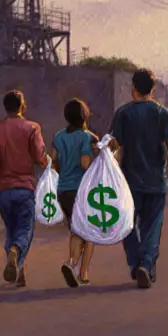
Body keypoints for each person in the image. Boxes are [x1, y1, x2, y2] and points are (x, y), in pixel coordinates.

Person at [103, 68, 168, 289]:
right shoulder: (163, 113)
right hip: (156, 182)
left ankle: (136, 262)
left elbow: (113, 147)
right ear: (153, 89)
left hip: (129, 183)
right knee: (152, 227)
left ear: (133, 88)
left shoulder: (123, 114)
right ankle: (146, 265)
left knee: (126, 226)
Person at [0, 90, 48, 288]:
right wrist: (52, 170)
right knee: (25, 229)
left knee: (12, 229)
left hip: (2, 191)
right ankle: (16, 253)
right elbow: (40, 158)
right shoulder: (32, 128)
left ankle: (18, 271)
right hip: (24, 188)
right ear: (22, 106)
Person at [52, 98, 99, 288]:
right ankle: (81, 270)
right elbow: (85, 163)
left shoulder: (58, 136)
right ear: (84, 116)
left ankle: (72, 264)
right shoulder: (87, 137)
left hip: (63, 189)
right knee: (88, 232)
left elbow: (54, 161)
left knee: (76, 230)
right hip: (81, 190)